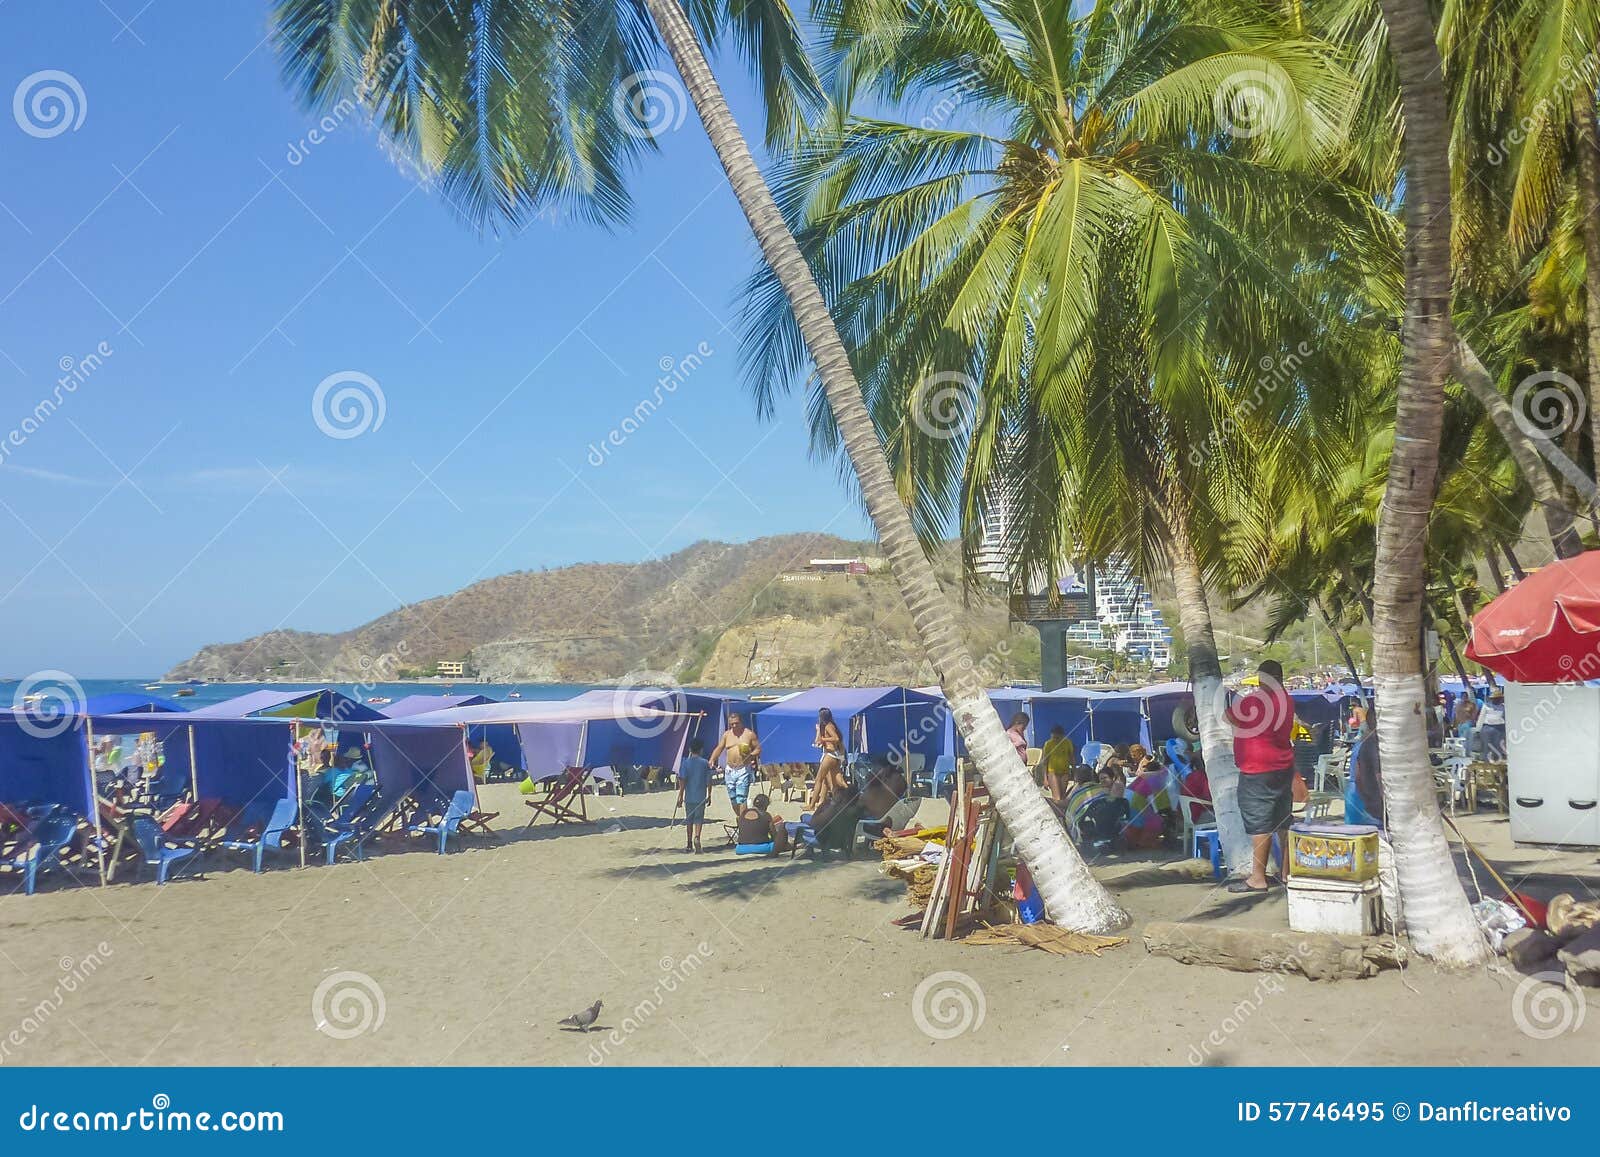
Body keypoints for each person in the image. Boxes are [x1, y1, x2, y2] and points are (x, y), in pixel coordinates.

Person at [1226, 659, 1296, 894]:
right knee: (1283, 820)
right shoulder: (1286, 698)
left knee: (1260, 824)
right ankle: (1286, 873)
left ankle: (1258, 878)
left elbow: (1229, 717)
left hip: (1258, 769)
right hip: (1282, 766)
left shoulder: (1256, 700)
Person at [711, 711, 762, 818]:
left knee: (741, 798)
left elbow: (758, 749)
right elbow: (719, 748)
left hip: (743, 768)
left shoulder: (749, 734)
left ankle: (743, 824)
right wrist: (712, 759)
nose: (734, 726)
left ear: (741, 722)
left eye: (736, 723)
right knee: (733, 799)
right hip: (730, 769)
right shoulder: (727, 735)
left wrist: (751, 755)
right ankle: (742, 820)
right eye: (732, 724)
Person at [676, 738, 713, 853]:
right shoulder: (705, 763)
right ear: (701, 750)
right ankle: (697, 837)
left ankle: (689, 843)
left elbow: (682, 780)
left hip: (689, 796)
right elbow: (709, 781)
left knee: (689, 820)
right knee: (699, 819)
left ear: (690, 749)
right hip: (701, 796)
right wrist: (710, 795)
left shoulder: (686, 763)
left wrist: (680, 796)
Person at [807, 708, 847, 811]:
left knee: (818, 779)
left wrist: (823, 739)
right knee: (839, 781)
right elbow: (818, 741)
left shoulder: (829, 726)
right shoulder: (827, 726)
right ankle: (852, 797)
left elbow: (836, 738)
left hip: (830, 755)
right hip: (834, 755)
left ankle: (811, 805)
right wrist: (818, 732)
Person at [1040, 725, 1077, 802]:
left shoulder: (1067, 743)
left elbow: (1072, 758)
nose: (1055, 740)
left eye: (1057, 738)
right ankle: (1056, 811)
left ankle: (1062, 812)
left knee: (1063, 797)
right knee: (1057, 797)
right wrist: (1045, 779)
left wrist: (1075, 773)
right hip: (1052, 772)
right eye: (1053, 738)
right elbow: (1045, 762)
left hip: (1065, 772)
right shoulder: (1048, 744)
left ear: (1062, 736)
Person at [1477, 690, 1507, 759]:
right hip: (1487, 728)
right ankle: (1487, 763)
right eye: (1494, 698)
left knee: (1498, 747)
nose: (1496, 700)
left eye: (1498, 698)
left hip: (1499, 729)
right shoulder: (1486, 706)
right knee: (1486, 747)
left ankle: (1497, 763)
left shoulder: (1504, 707)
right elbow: (1481, 717)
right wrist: (1478, 730)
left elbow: (1506, 718)